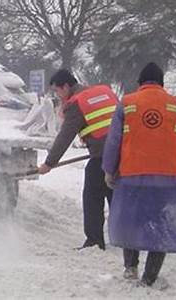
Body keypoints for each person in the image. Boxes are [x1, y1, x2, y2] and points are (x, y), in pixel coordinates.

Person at [102, 62, 176, 286]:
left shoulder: (127, 103)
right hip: (168, 177)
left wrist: (109, 170)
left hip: (132, 175)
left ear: (140, 83)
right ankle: (149, 278)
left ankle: (130, 267)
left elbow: (114, 141)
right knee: (161, 225)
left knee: (131, 221)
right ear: (162, 84)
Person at [38, 69, 118, 250]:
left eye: (57, 91)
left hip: (101, 158)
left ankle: (94, 241)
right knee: (116, 195)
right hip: (122, 153)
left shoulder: (76, 104)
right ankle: (124, 237)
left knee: (92, 197)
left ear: (66, 86)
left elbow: (65, 136)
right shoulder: (104, 92)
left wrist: (49, 163)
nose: (58, 96)